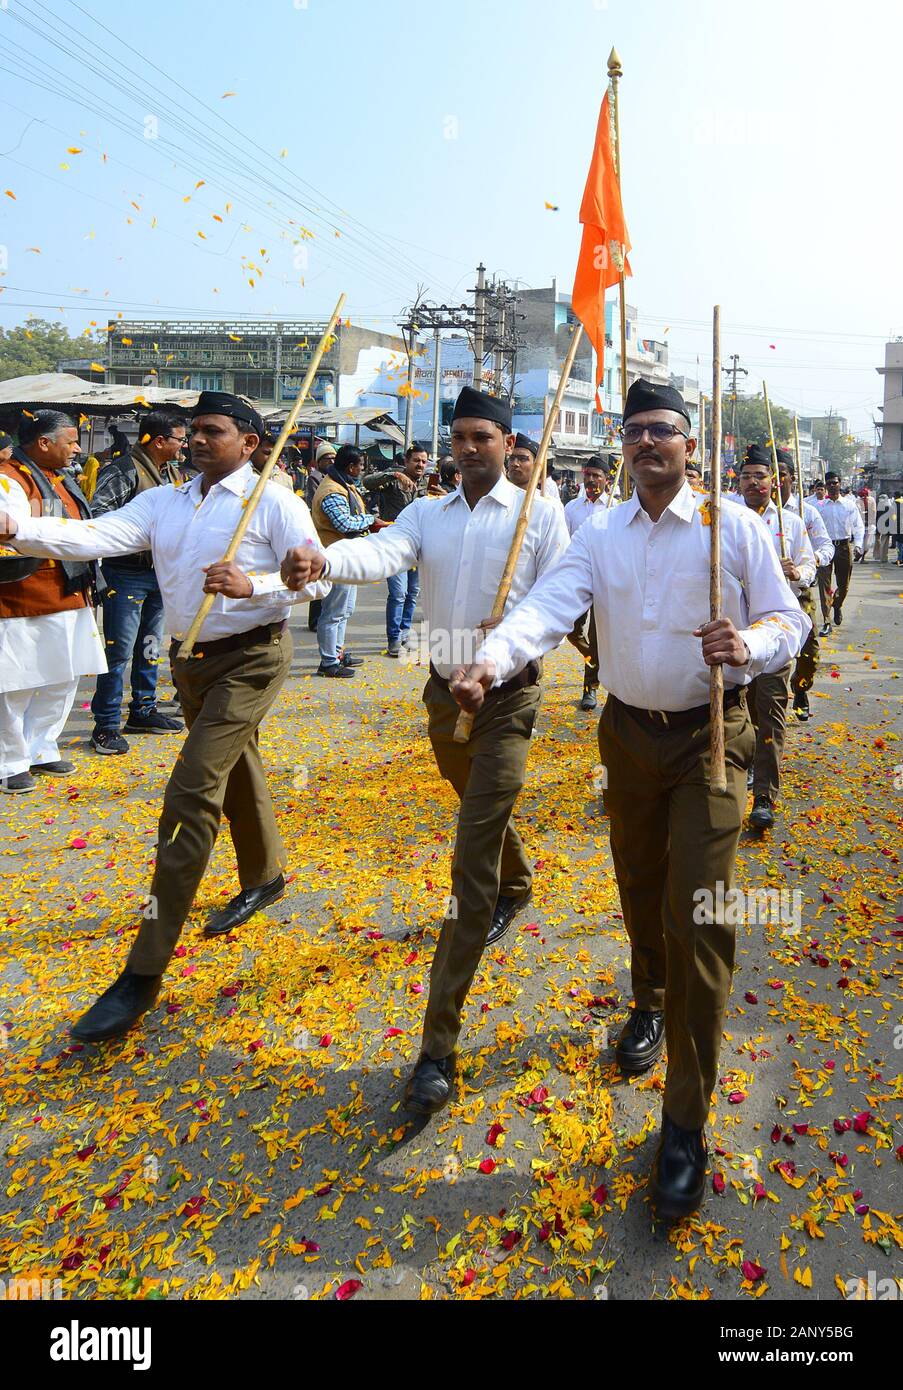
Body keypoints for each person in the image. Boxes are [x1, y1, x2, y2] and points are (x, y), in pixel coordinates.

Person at [449, 380, 808, 1220]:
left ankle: (684, 1118)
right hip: (625, 737)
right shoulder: (599, 529)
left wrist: (747, 643)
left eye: (664, 432)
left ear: (691, 446)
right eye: (636, 431)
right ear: (622, 444)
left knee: (703, 914)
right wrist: (491, 660)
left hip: (710, 741)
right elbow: (547, 606)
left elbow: (788, 620)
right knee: (640, 885)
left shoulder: (735, 525)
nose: (649, 443)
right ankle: (647, 1001)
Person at [0, 391, 329, 1039]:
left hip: (252, 658)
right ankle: (266, 876)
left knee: (191, 794)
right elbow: (96, 534)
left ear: (249, 443)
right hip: (190, 659)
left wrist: (256, 584)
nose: (195, 440)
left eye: (211, 431)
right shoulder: (166, 500)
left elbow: (314, 581)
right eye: (191, 431)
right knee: (236, 769)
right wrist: (18, 529)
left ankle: (142, 973)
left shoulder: (275, 503)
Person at [280, 386, 570, 1117]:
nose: (469, 448)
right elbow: (383, 552)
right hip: (444, 689)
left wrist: (505, 645)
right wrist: (325, 562)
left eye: (483, 437)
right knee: (474, 804)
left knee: (467, 852)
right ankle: (516, 878)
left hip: (507, 696)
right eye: (460, 437)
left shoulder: (540, 513)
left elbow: (563, 601)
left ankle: (435, 1049)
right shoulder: (426, 511)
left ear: (508, 442)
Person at [0, 411, 106, 794]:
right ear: (44, 443)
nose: (77, 448)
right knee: (16, 683)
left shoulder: (58, 478)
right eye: (71, 440)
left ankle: (41, 748)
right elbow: (11, 534)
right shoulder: (9, 478)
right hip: (21, 597)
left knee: (63, 676)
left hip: (70, 590)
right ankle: (9, 761)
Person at [89, 411, 188, 755]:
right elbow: (99, 516)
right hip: (126, 573)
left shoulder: (172, 473)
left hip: (159, 573)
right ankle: (105, 725)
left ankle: (143, 710)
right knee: (118, 652)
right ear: (159, 441)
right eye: (180, 439)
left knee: (148, 646)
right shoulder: (122, 470)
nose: (184, 446)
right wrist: (148, 534)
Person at [736, 446, 816, 830]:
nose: (754, 483)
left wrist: (794, 571)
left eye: (761, 476)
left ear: (774, 481)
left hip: (777, 631)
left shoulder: (792, 522)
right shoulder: (724, 519)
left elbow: (809, 565)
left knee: (769, 715)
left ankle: (764, 796)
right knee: (739, 715)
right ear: (738, 481)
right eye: (747, 476)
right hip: (737, 634)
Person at [311, 444, 386, 677]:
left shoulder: (345, 484)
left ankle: (337, 652)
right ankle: (328, 662)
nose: (362, 469)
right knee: (333, 612)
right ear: (351, 467)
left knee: (345, 610)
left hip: (348, 556)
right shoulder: (332, 490)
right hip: (336, 558)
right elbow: (344, 523)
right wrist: (370, 520)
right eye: (360, 466)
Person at [778, 449, 834, 722]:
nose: (775, 480)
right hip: (761, 596)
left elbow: (826, 546)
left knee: (808, 656)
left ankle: (800, 689)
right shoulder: (747, 512)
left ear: (792, 478)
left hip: (798, 592)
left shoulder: (805, 512)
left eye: (782, 474)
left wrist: (805, 565)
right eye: (770, 474)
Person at [361, 442, 427, 656]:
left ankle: (405, 632)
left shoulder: (427, 483)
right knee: (398, 593)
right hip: (394, 545)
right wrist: (394, 476)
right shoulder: (393, 480)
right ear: (406, 461)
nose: (420, 465)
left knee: (412, 593)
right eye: (416, 460)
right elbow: (367, 482)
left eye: (424, 462)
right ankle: (393, 639)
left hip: (419, 546)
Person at [563, 459, 608, 712]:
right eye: (588, 475)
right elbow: (565, 544)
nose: (591, 480)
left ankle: (589, 688)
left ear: (605, 479)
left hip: (604, 579)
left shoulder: (615, 507)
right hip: (578, 579)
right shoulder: (571, 508)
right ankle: (596, 661)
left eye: (597, 476)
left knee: (596, 635)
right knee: (572, 629)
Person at [811, 471, 864, 635]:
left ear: (840, 484)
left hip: (843, 547)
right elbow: (813, 530)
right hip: (825, 548)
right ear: (825, 486)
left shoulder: (849, 505)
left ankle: (837, 605)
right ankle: (826, 621)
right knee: (824, 585)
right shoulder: (818, 507)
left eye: (835, 483)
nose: (832, 486)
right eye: (829, 483)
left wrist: (859, 546)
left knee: (844, 585)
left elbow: (858, 526)